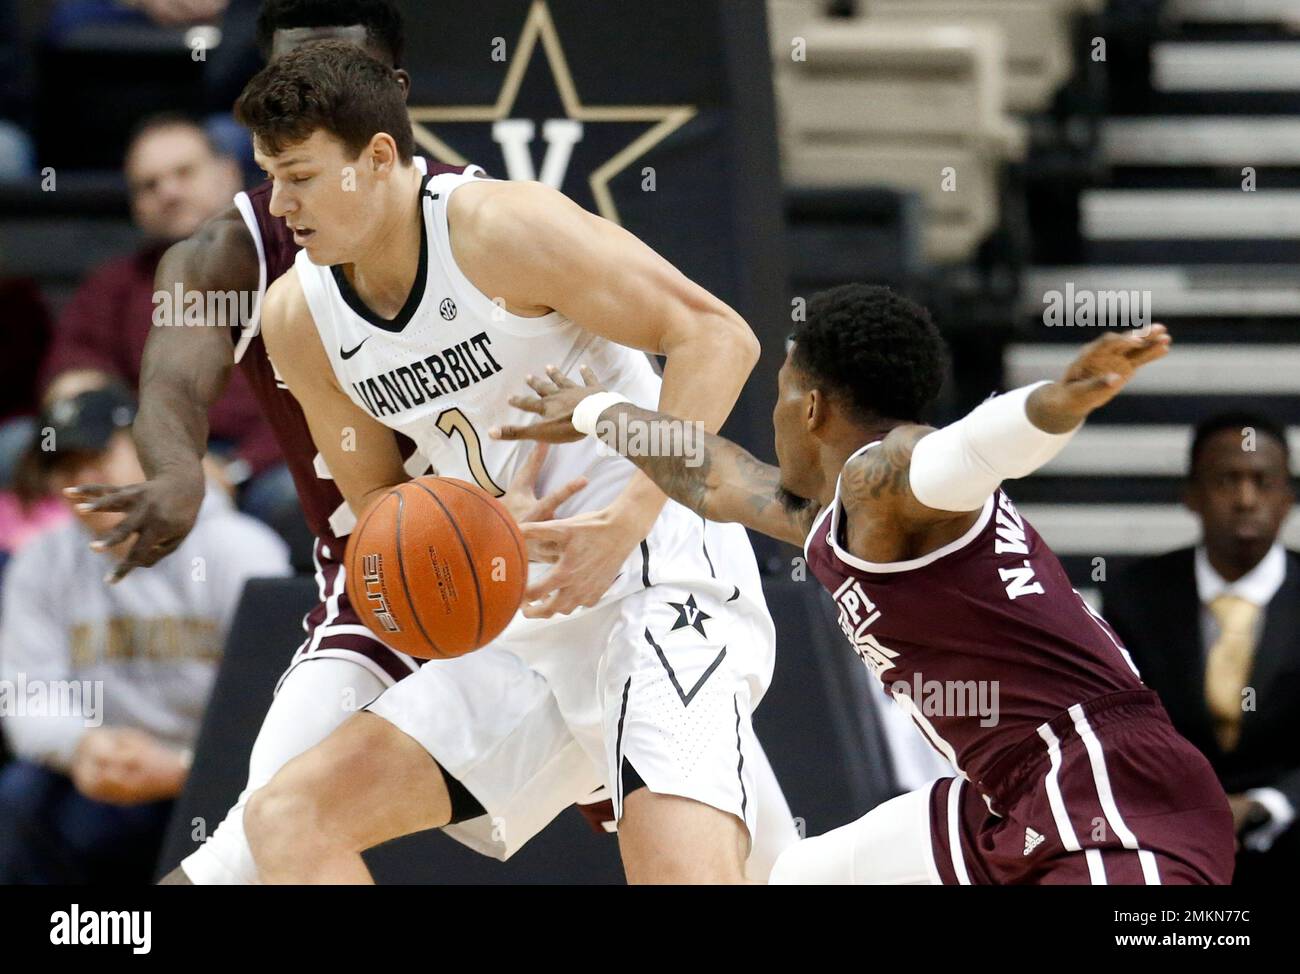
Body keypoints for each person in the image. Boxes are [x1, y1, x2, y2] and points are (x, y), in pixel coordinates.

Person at [70, 1, 794, 884]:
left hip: (661, 584)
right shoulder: (299, 312)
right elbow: (377, 499)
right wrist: (464, 523)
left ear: (378, 155)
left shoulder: (498, 226)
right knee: (287, 818)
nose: (281, 205)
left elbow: (719, 338)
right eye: (270, 177)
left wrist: (631, 516)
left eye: (299, 177)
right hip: (517, 616)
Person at [497, 284, 1238, 885]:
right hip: (1004, 791)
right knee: (796, 879)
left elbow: (961, 455)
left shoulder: (887, 478)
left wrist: (1057, 403)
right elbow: (711, 473)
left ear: (811, 406)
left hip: (1106, 787)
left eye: (784, 392)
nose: (775, 413)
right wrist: (594, 411)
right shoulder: (841, 514)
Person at [0, 385, 289, 883]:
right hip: (110, 773)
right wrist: (81, 747)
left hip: (222, 777)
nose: (84, 480)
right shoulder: (40, 563)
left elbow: (274, 701)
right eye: (65, 468)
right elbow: (27, 692)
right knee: (22, 792)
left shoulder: (238, 550)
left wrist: (188, 767)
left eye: (98, 458)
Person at [38, 112, 286, 513]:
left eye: (184, 172)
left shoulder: (288, 265)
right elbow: (74, 375)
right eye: (149, 185)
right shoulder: (113, 284)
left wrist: (238, 467)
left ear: (228, 173)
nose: (168, 192)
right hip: (147, 456)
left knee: (296, 488)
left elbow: (321, 398)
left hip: (264, 462)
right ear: (135, 205)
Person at [1103, 412, 1299, 885]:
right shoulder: (1136, 595)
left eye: (1262, 481)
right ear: (1190, 495)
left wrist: (1267, 804)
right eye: (1226, 480)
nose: (1246, 499)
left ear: (1288, 498)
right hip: (1165, 836)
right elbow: (1119, 728)